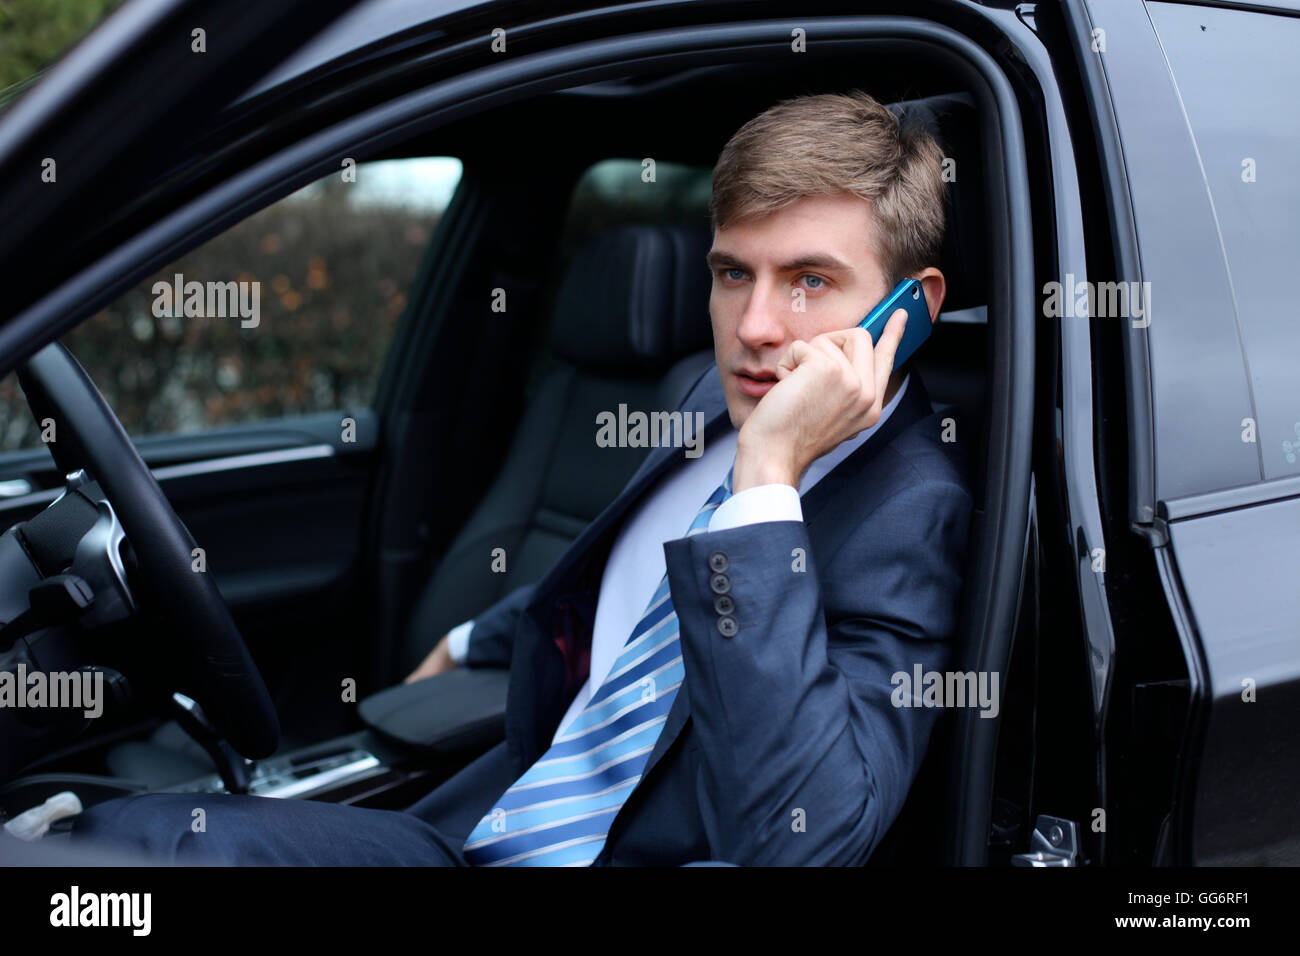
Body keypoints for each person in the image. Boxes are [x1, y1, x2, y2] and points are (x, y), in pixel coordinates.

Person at [72, 88, 973, 866]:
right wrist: (476, 640)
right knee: (142, 847)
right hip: (486, 829)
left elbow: (801, 840)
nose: (757, 324)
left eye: (810, 281)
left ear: (912, 310)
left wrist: (768, 480)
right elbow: (627, 577)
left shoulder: (913, 516)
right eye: (733, 272)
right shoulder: (712, 391)